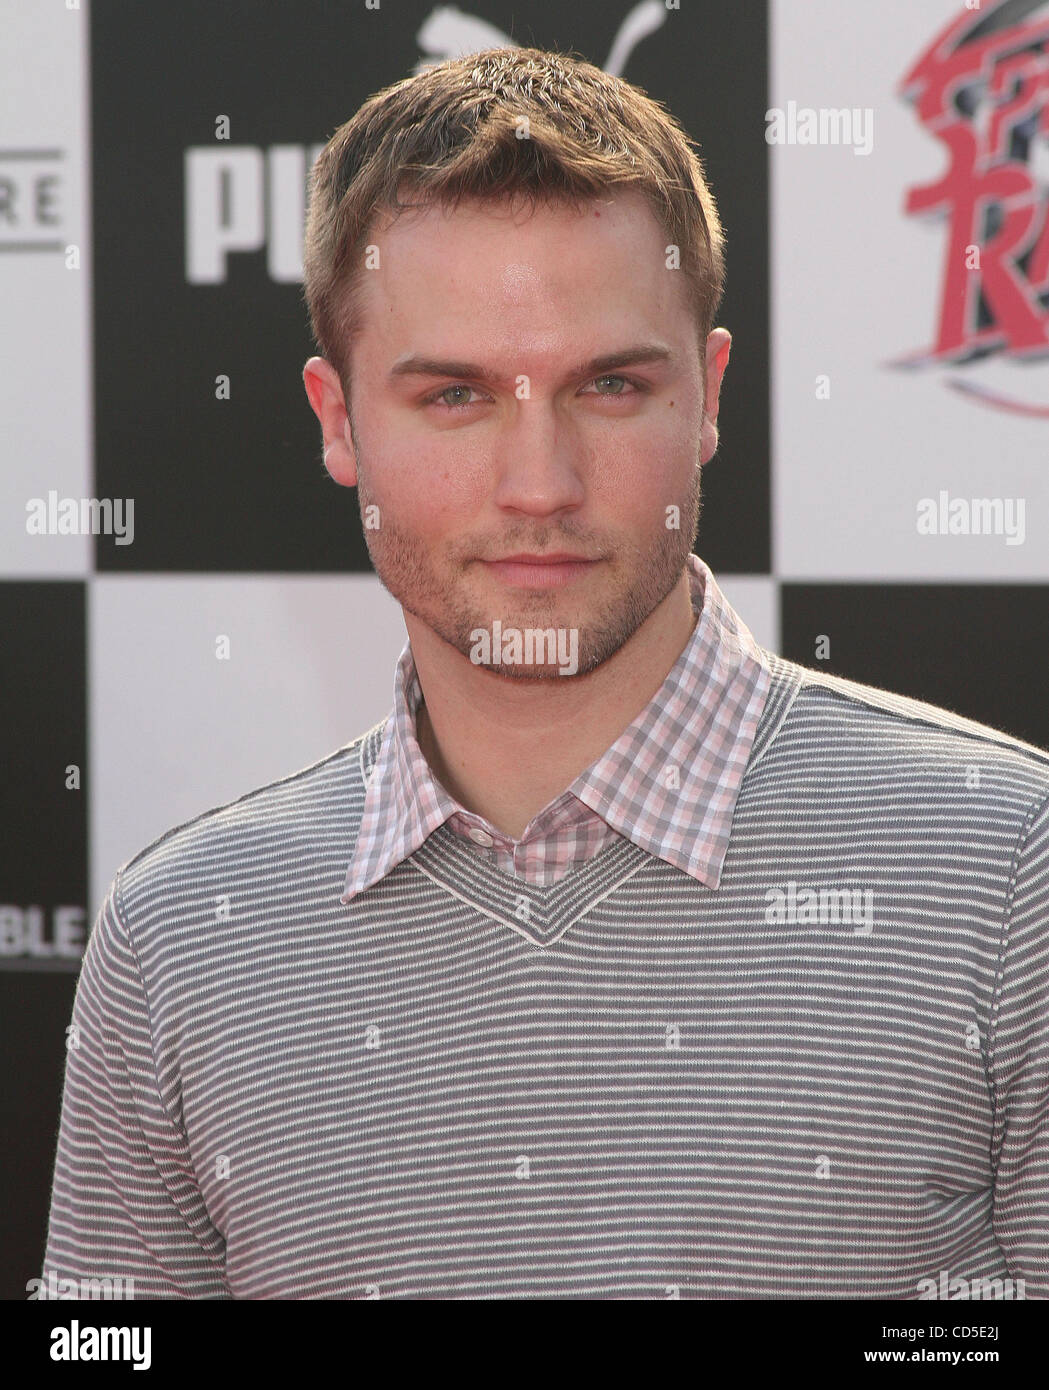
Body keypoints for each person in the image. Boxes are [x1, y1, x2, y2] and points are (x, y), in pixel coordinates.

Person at [43, 46, 1047, 1300]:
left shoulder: (1009, 871)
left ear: (708, 396)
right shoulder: (184, 936)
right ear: (337, 420)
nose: (539, 483)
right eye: (455, 394)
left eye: (609, 386)